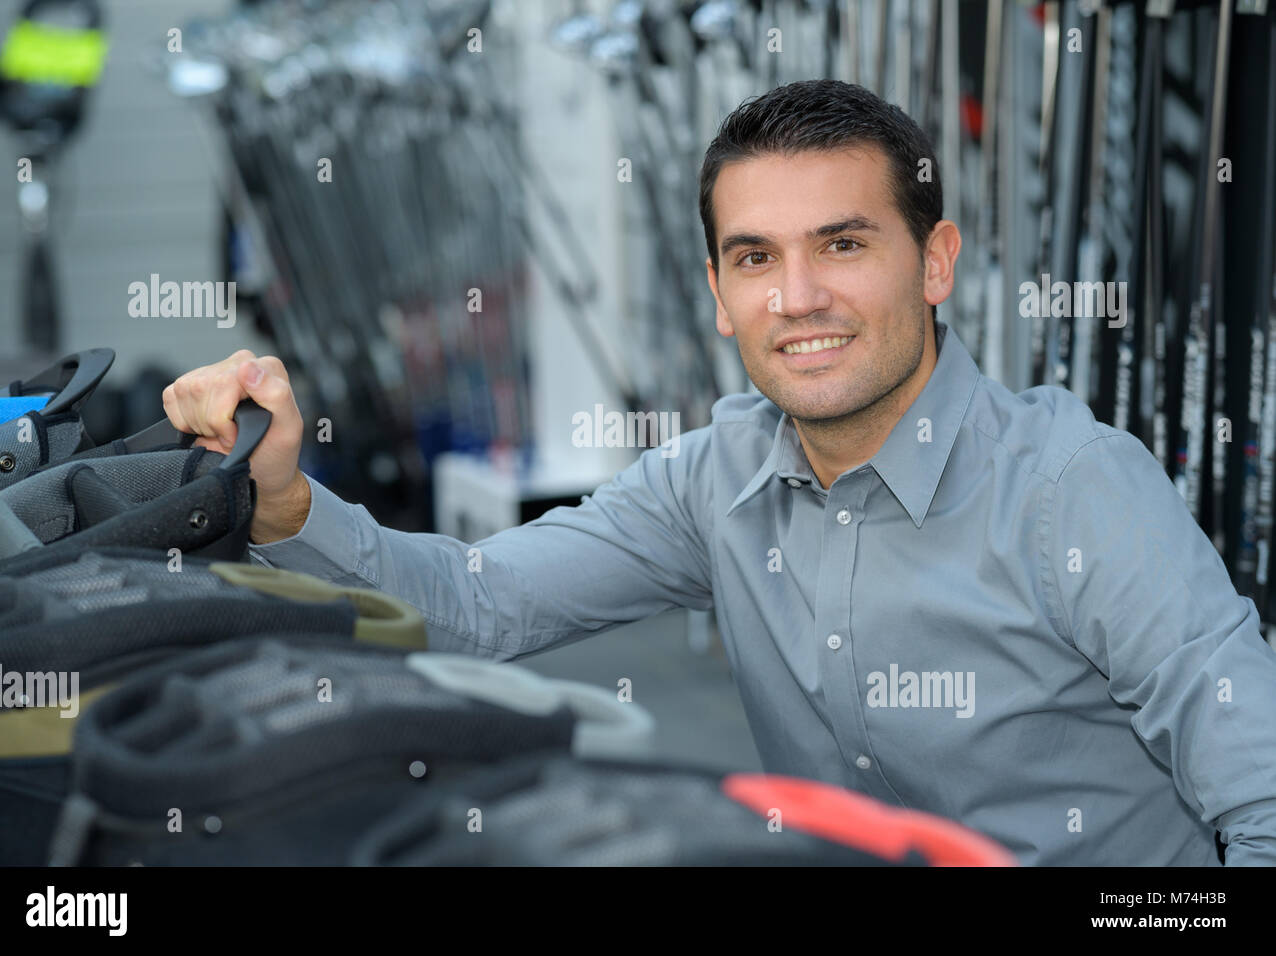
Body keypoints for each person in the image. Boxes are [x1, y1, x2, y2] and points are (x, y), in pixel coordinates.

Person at [164, 79, 1276, 866]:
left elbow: (1261, 798)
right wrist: (285, 495)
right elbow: (472, 604)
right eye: (757, 258)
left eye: (843, 243)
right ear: (716, 291)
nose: (797, 297)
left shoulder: (1072, 488)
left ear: (933, 263)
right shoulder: (715, 475)